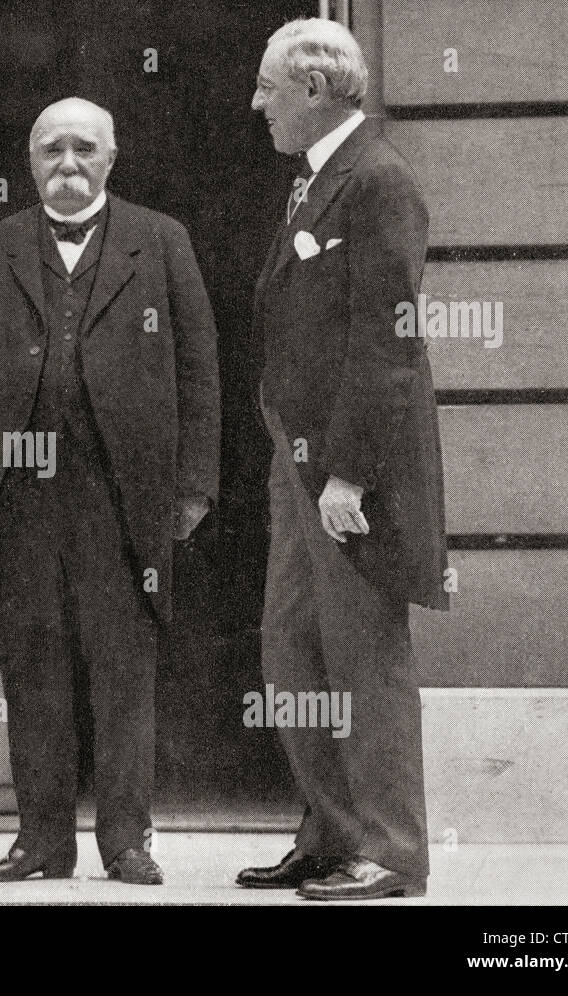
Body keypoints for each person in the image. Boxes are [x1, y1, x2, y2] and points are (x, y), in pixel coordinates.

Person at [0, 97, 221, 885]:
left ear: (110, 158)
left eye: (84, 150)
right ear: (30, 163)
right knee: (31, 672)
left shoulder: (161, 242)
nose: (68, 164)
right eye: (51, 150)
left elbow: (199, 370)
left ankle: (126, 840)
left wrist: (192, 487)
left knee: (124, 674)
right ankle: (41, 841)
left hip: (123, 499)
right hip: (18, 499)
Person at [238, 17, 449, 901]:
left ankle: (391, 851)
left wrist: (350, 475)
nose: (257, 105)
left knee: (364, 658)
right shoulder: (318, 181)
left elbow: (387, 342)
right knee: (292, 649)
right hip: (302, 462)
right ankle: (329, 833)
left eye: (267, 88)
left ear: (316, 89)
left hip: (350, 471)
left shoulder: (376, 180)